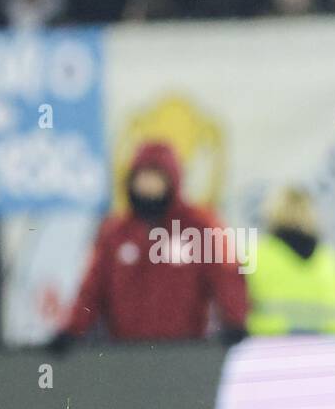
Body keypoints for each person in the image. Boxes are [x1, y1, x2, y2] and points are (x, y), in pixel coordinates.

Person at [56, 140, 247, 345]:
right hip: (126, 353)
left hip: (185, 351)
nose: (147, 184)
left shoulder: (200, 226)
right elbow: (92, 288)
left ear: (171, 180)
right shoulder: (115, 232)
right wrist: (72, 330)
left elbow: (226, 277)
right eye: (142, 177)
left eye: (155, 177)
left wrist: (235, 322)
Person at [244, 186, 335, 335]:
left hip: (272, 346)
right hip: (330, 345)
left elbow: (239, 306)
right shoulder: (328, 257)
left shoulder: (256, 254)